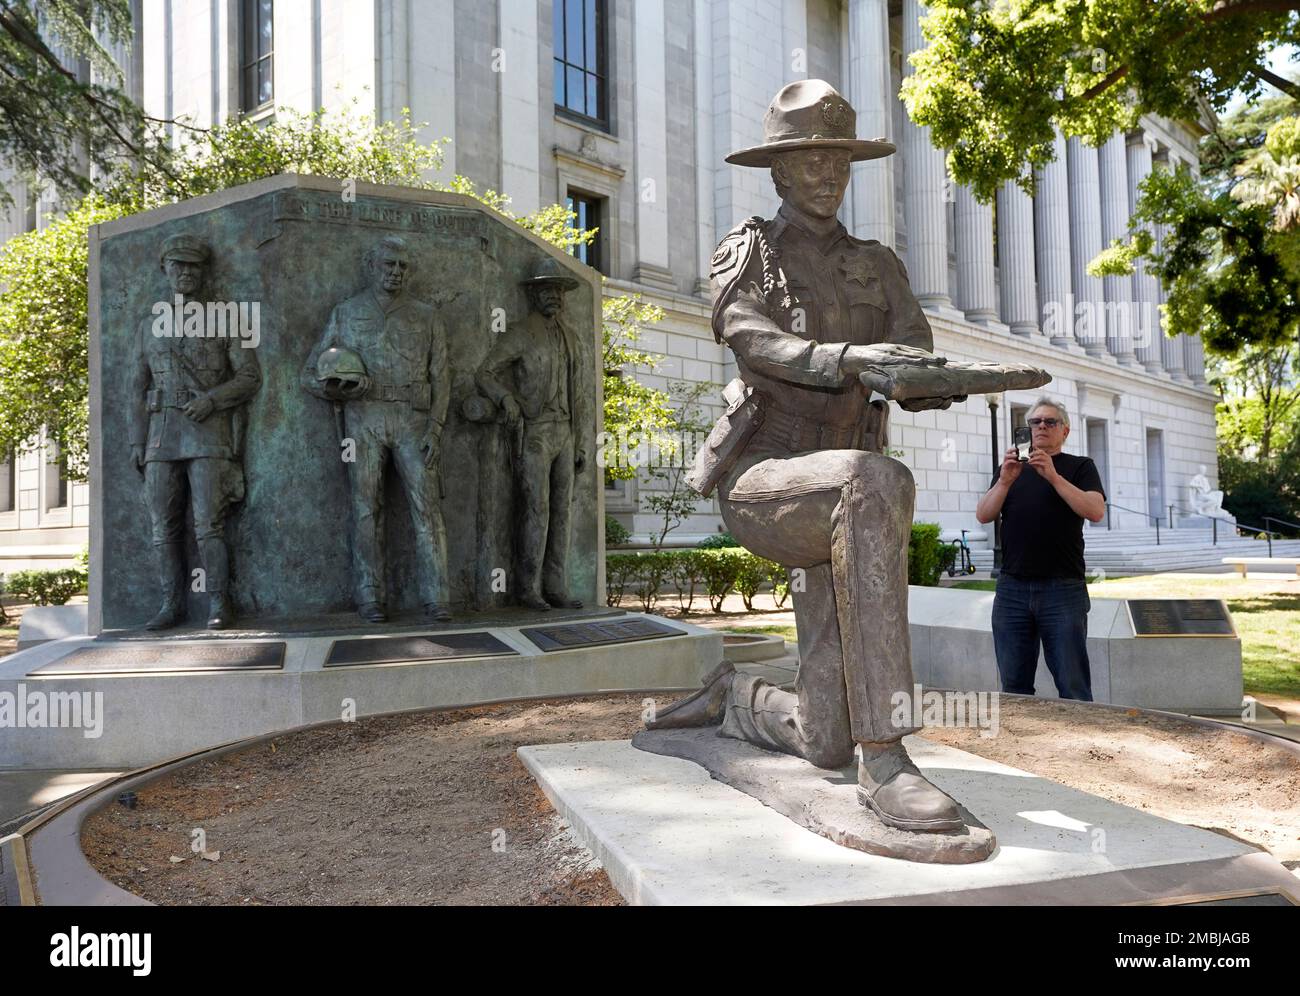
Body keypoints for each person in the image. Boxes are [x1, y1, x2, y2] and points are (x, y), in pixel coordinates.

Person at [643, 80, 977, 833]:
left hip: (848, 496)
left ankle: (741, 698)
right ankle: (886, 754)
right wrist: (848, 359)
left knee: (821, 738)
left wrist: (934, 382)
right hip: (767, 479)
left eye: (839, 165)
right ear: (781, 172)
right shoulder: (750, 250)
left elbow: (912, 353)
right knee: (873, 479)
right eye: (811, 164)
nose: (827, 178)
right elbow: (751, 336)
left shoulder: (878, 262)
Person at [302, 234, 451, 623]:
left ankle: (437, 596)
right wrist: (336, 390)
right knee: (366, 507)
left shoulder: (427, 315)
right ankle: (370, 596)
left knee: (427, 508)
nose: (396, 272)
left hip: (413, 420)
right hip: (363, 418)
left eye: (403, 266)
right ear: (371, 267)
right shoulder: (346, 312)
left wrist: (435, 429)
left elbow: (442, 376)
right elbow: (309, 374)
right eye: (388, 265)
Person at [130, 234, 262, 631]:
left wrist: (212, 400)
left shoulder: (227, 318)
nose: (185, 272)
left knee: (209, 525)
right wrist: (138, 440)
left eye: (193, 266)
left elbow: (249, 377)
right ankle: (171, 604)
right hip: (161, 436)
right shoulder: (149, 325)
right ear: (165, 269)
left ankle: (220, 604)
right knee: (163, 527)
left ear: (203, 271)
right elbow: (135, 387)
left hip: (208, 433)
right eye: (178, 265)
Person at [475, 258, 592, 611]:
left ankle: (555, 586)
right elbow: (485, 373)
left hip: (565, 432)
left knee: (562, 512)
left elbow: (582, 394)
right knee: (536, 509)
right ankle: (528, 587)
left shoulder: (571, 337)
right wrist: (506, 398)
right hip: (535, 431)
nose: (554, 297)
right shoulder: (520, 333)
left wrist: (582, 443)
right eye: (546, 290)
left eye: (558, 291)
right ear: (533, 295)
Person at [975, 398, 1106, 700]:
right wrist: (1005, 482)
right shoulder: (1009, 470)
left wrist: (1053, 476)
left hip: (1062, 589)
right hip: (1012, 589)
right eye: (1035, 422)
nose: (1042, 427)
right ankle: (1021, 745)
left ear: (1065, 431)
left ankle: (1081, 744)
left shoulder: (1080, 467)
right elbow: (983, 514)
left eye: (1051, 422)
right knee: (1014, 686)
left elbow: (1095, 510)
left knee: (1073, 684)